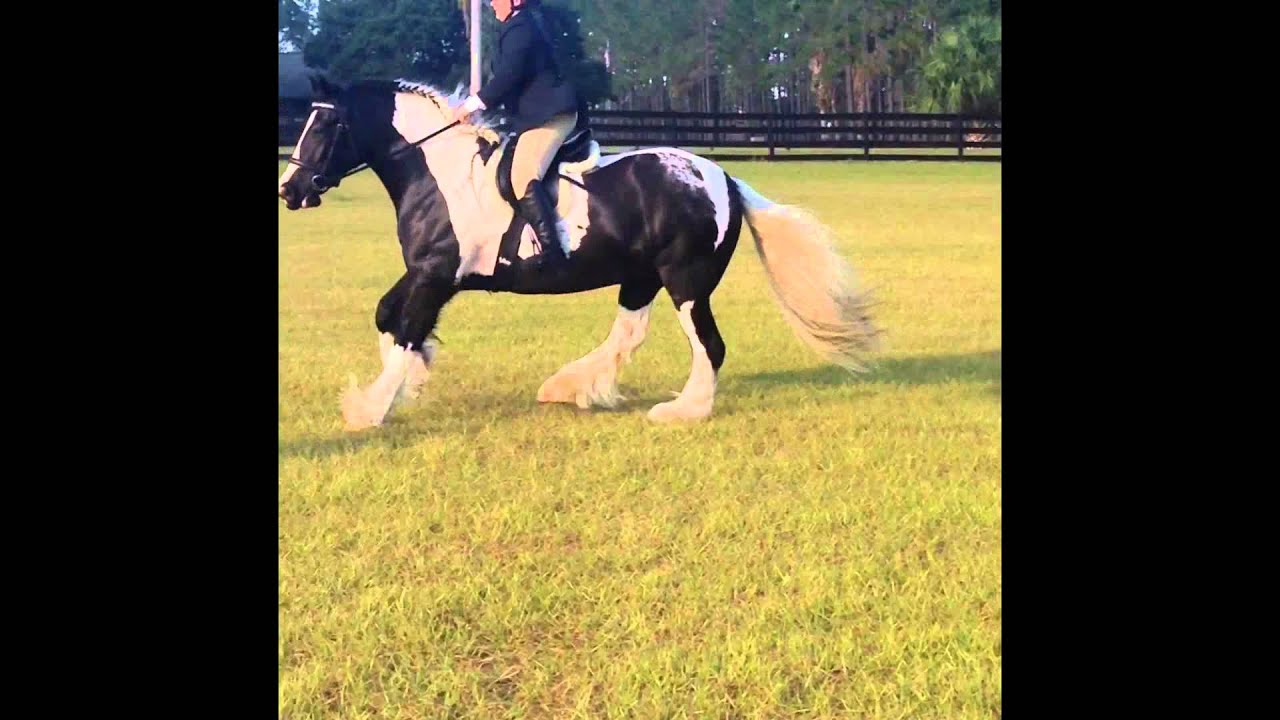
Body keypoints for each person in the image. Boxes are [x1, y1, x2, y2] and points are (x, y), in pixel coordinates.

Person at [455, 0, 582, 270]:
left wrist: (472, 104)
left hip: (551, 115)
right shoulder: (518, 25)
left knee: (523, 175)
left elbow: (508, 76)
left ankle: (553, 255)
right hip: (535, 117)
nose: (491, 2)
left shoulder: (521, 26)